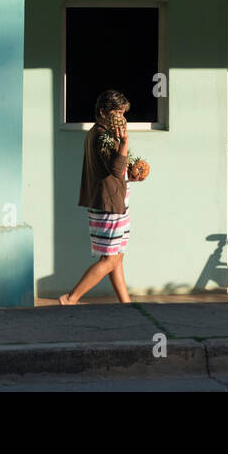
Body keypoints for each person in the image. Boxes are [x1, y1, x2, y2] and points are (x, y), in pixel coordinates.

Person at [59, 89, 134, 305]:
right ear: (103, 112)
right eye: (117, 112)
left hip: (115, 200)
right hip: (108, 204)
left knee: (117, 256)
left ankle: (126, 304)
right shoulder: (102, 135)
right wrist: (125, 142)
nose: (121, 118)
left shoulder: (101, 133)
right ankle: (71, 298)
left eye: (123, 113)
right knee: (110, 258)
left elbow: (115, 170)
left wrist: (132, 174)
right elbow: (116, 168)